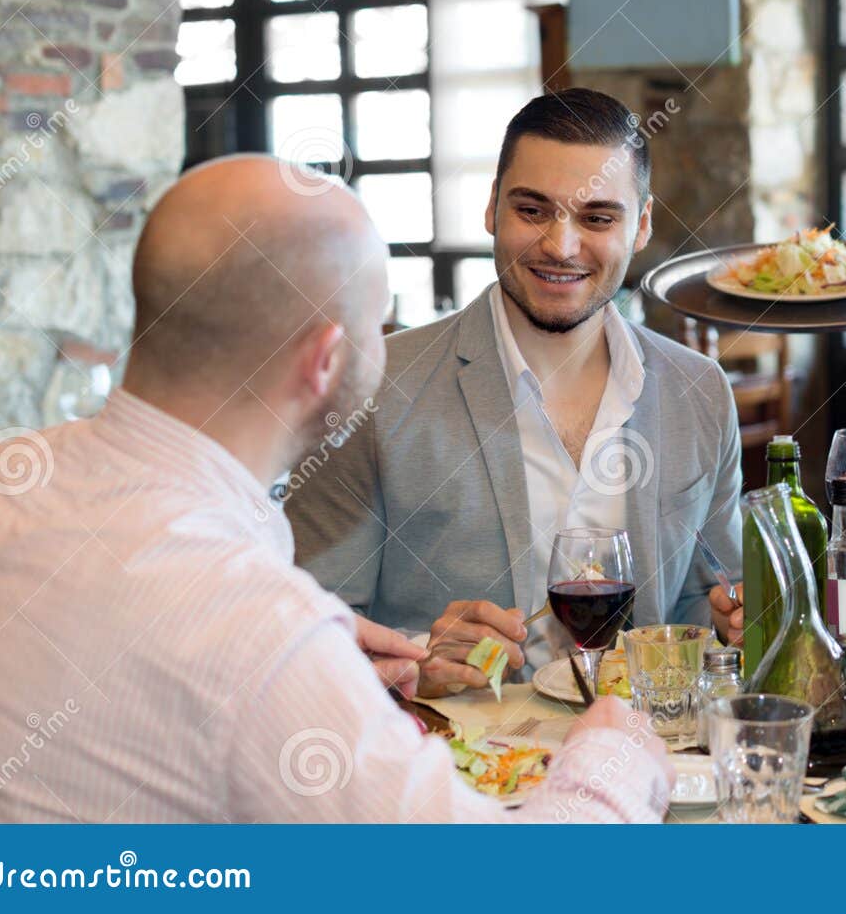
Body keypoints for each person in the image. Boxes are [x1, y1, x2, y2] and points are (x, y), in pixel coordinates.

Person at [0, 156, 672, 822]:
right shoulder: (261, 629)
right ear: (327, 358)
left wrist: (328, 677)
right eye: (377, 321)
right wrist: (613, 751)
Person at [289, 88, 743, 695]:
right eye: (533, 211)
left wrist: (732, 624)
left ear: (643, 225)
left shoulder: (701, 392)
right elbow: (300, 634)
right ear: (491, 211)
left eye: (597, 217)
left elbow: (704, 604)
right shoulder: (371, 388)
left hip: (640, 758)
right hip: (445, 772)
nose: (560, 246)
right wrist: (416, 662)